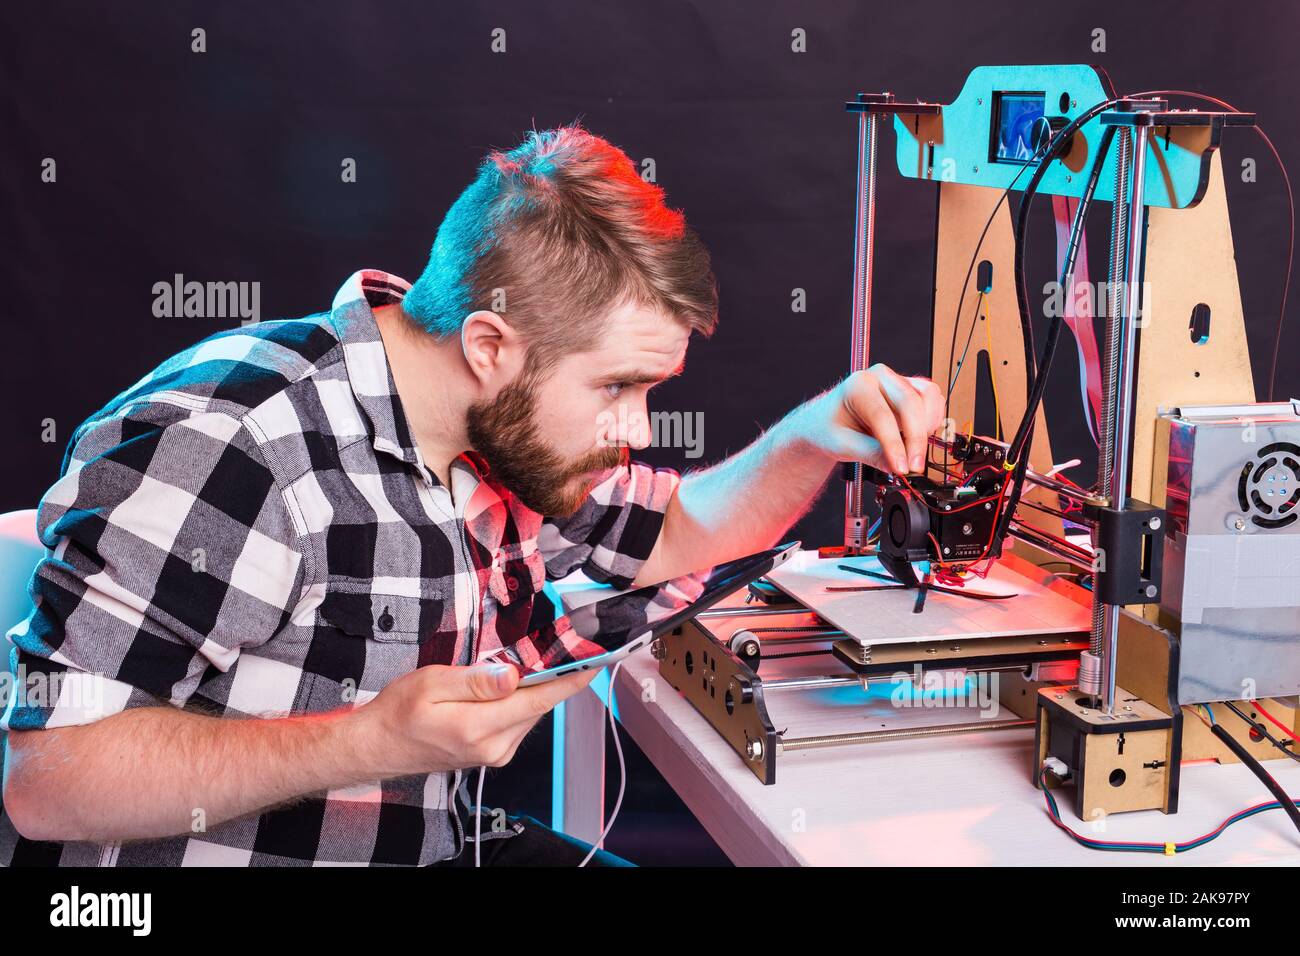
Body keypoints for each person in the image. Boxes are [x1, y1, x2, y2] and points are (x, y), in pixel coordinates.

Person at [0, 125, 943, 866]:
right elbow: (49, 779)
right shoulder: (236, 445)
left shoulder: (492, 425)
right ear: (490, 345)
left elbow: (678, 530)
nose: (642, 429)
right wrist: (367, 742)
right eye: (617, 387)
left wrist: (821, 429)